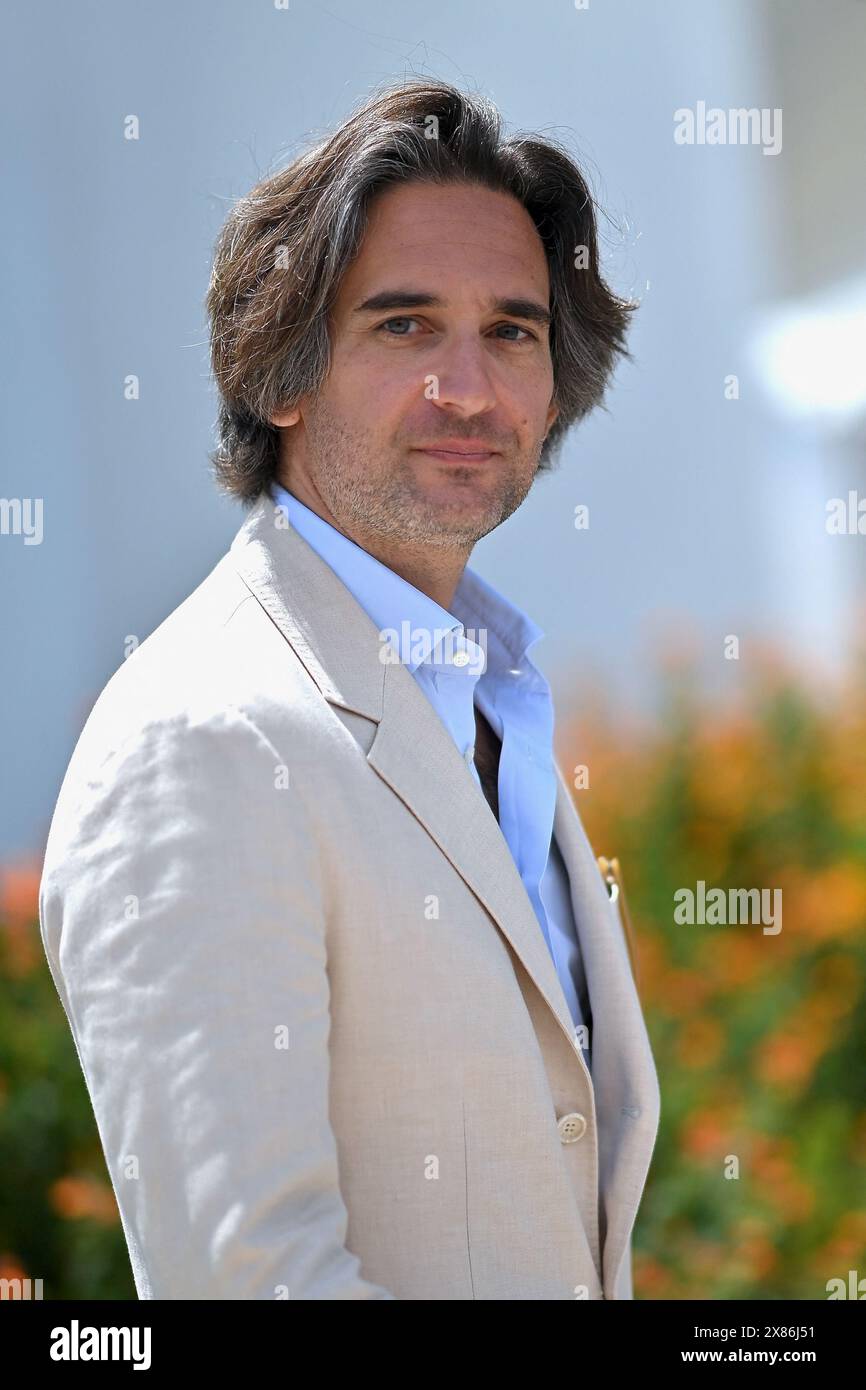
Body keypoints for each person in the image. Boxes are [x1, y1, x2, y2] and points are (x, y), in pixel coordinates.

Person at [38, 78, 659, 1300]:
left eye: (511, 331)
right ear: (282, 374)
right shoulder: (200, 738)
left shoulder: (492, 700)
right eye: (404, 327)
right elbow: (254, 1283)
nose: (469, 390)